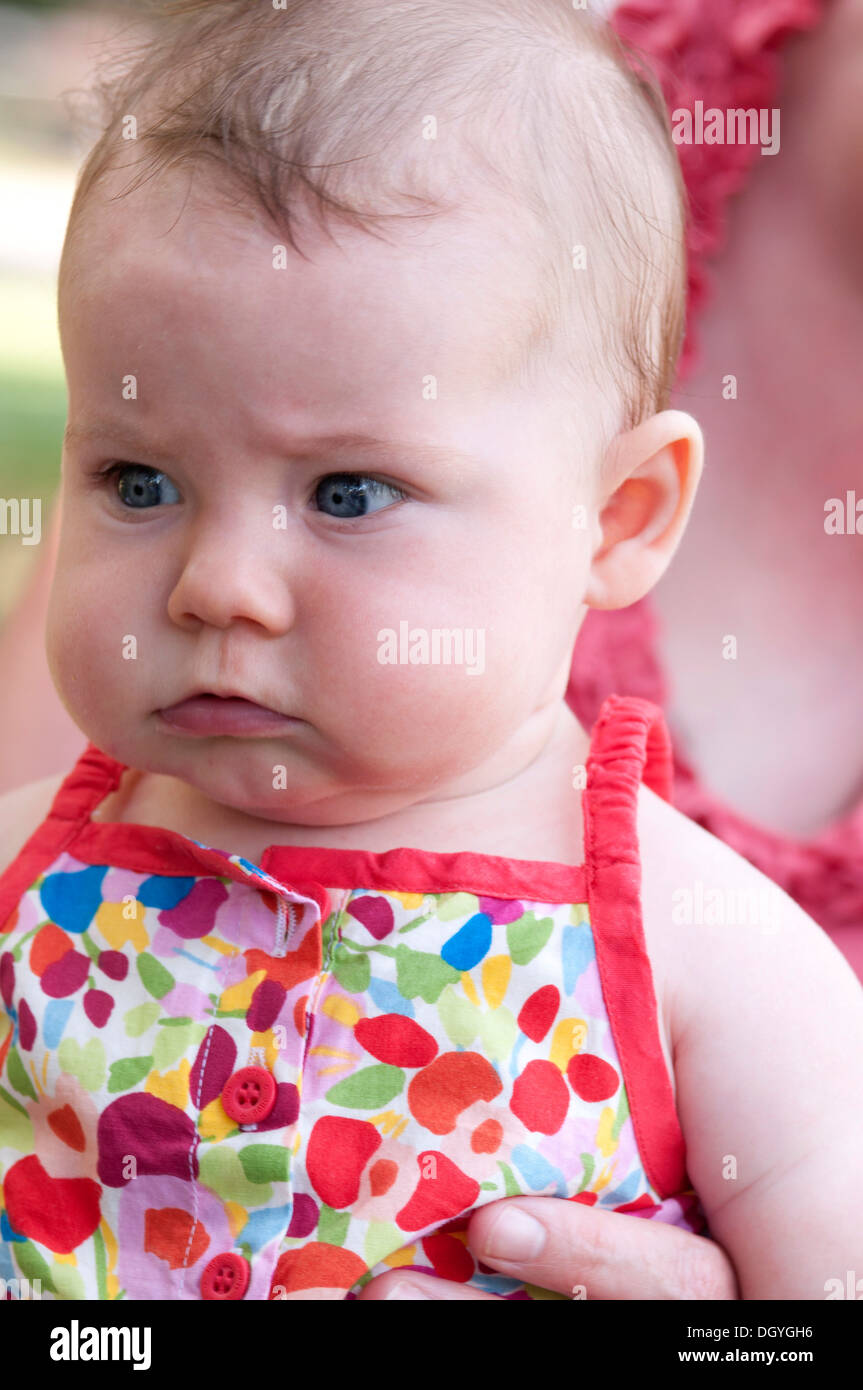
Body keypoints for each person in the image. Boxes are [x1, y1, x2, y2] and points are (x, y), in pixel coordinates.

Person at [0, 0, 861, 1302]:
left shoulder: (698, 955)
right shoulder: (28, 875)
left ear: (617, 519)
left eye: (346, 494)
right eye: (137, 477)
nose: (216, 582)